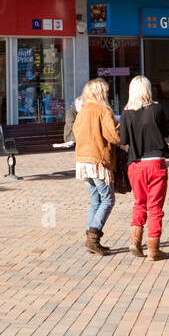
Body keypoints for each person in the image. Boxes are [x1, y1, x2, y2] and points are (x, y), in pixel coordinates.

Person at [120, 75, 169, 262]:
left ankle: (135, 241)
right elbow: (165, 132)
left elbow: (124, 140)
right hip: (155, 162)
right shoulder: (157, 109)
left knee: (139, 203)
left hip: (136, 164)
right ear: (148, 90)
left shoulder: (126, 112)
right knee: (155, 207)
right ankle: (153, 250)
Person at [72, 79, 123, 256]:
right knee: (108, 199)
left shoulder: (83, 111)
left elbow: (76, 132)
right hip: (98, 160)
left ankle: (90, 239)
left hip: (83, 160)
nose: (108, 94)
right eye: (106, 92)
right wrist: (121, 128)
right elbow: (114, 136)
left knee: (95, 200)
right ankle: (93, 238)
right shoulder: (103, 111)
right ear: (101, 93)